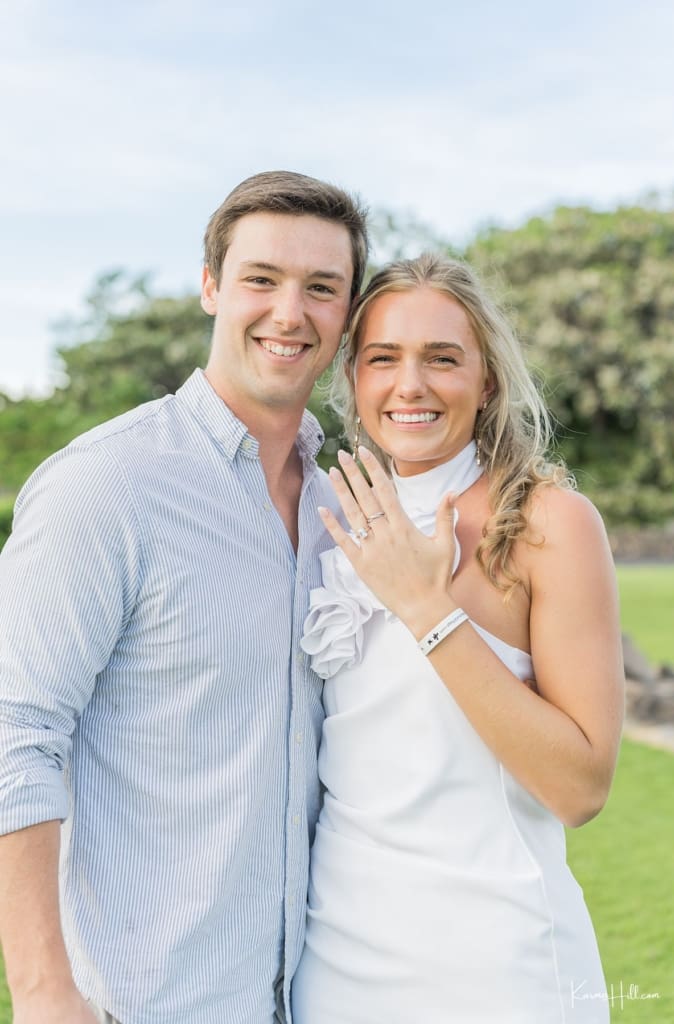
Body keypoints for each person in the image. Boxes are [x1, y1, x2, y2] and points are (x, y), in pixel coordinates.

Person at [0, 170, 368, 1024]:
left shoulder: (342, 507)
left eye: (321, 288)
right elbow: (14, 732)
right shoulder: (109, 484)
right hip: (145, 1004)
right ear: (210, 287)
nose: (290, 312)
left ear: (345, 315)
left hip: (306, 999)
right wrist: (45, 994)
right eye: (261, 280)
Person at [291, 253, 624, 1023]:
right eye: (383, 359)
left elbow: (579, 789)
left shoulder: (549, 526)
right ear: (353, 378)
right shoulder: (325, 514)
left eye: (442, 358)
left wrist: (427, 610)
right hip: (336, 964)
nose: (409, 385)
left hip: (495, 966)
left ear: (486, 381)